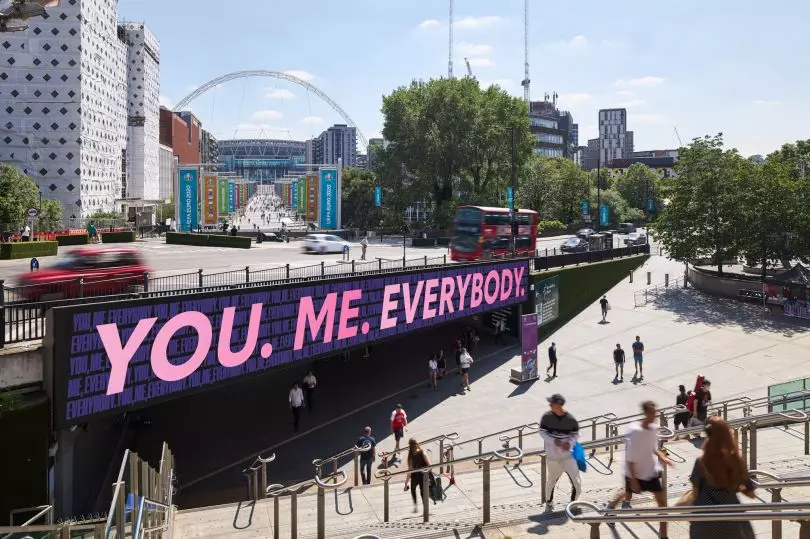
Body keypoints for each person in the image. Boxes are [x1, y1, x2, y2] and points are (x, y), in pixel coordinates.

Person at [606, 401, 673, 537]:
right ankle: (610, 509)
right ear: (646, 413)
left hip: (650, 471)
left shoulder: (654, 428)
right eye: (653, 413)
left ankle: (663, 534)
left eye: (656, 412)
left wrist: (663, 457)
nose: (656, 415)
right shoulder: (636, 432)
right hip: (635, 472)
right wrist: (634, 480)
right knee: (625, 494)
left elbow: (653, 448)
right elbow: (630, 458)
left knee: (662, 504)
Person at [686, 417, 755, 539]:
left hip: (704, 521)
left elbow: (695, 494)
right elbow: (750, 493)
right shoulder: (735, 460)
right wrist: (736, 485)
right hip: (732, 520)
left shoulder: (702, 462)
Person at [539, 394, 581, 507]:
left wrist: (569, 443)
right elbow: (542, 432)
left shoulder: (570, 419)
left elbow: (576, 435)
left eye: (551, 403)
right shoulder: (546, 417)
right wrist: (554, 441)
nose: (549, 405)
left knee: (577, 483)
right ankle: (549, 502)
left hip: (568, 456)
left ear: (558, 405)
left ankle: (573, 504)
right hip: (553, 457)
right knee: (551, 481)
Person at [403, 438, 431, 513]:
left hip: (415, 476)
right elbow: (429, 464)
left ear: (409, 445)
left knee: (412, 489)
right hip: (423, 475)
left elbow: (410, 470)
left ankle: (415, 506)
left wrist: (406, 482)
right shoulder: (422, 452)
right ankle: (425, 508)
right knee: (423, 491)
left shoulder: (410, 455)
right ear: (416, 443)